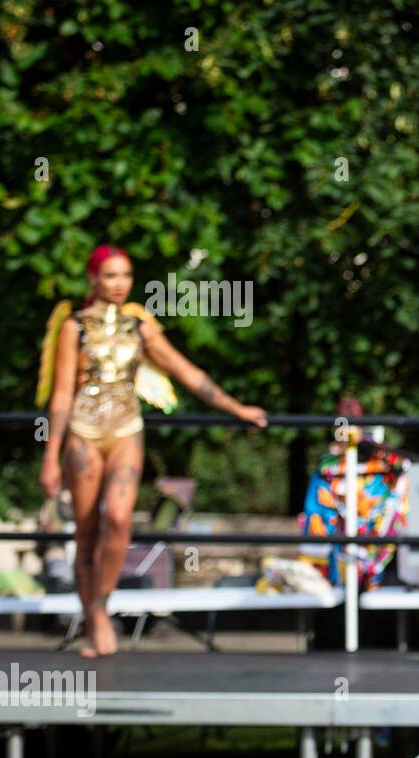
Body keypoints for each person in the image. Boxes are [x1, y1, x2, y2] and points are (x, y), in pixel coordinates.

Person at [36, 245, 268, 657]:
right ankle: (93, 620)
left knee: (120, 520)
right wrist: (50, 455)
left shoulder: (139, 326)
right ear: (93, 279)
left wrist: (235, 408)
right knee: (86, 532)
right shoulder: (74, 326)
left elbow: (184, 371)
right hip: (84, 432)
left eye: (125, 275)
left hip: (125, 429)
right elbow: (60, 396)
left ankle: (101, 605)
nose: (120, 283)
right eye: (110, 275)